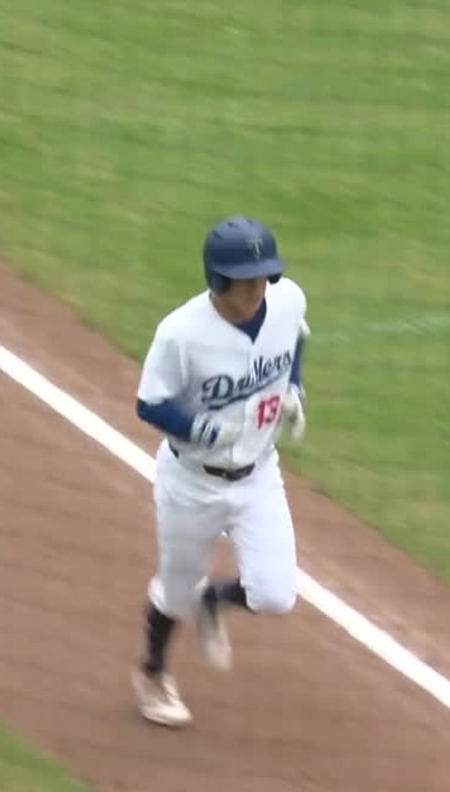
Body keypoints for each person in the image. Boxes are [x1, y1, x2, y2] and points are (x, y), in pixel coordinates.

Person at [129, 215, 310, 727]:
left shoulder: (287, 301)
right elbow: (149, 403)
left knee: (275, 595)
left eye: (263, 277)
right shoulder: (180, 334)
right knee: (175, 587)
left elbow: (296, 337)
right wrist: (201, 429)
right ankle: (152, 674)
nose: (257, 289)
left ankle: (215, 599)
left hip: (259, 476)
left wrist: (293, 388)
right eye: (245, 280)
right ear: (218, 279)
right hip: (191, 482)